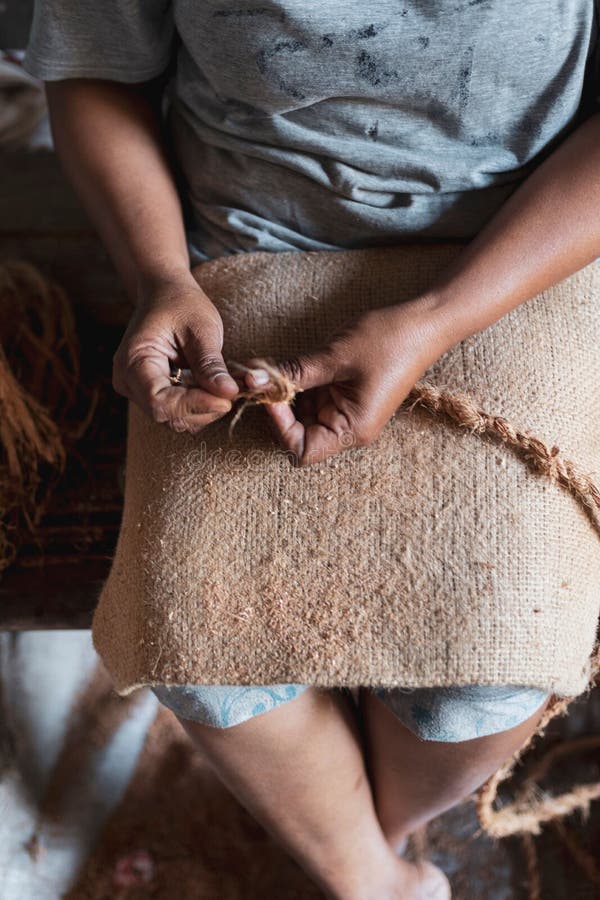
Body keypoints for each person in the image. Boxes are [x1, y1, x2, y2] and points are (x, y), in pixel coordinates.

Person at [23, 2, 600, 897]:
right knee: (195, 649)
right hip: (239, 247)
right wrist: (160, 275)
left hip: (522, 246)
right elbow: (97, 71)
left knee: (494, 667)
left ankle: (386, 821)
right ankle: (369, 870)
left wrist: (438, 318)